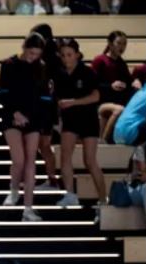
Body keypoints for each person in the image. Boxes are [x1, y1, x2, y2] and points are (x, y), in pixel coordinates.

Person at [0, 35, 49, 221]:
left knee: (31, 161)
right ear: (24, 47)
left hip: (33, 118)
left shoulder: (41, 67)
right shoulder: (9, 64)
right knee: (18, 159)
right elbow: (3, 93)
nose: (32, 57)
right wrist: (15, 113)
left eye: (36, 54)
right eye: (30, 52)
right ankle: (13, 190)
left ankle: (28, 207)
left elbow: (44, 97)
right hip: (12, 117)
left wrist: (34, 118)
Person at [53, 37, 105, 209]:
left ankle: (103, 199)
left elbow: (96, 96)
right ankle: (70, 194)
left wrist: (73, 102)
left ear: (77, 55)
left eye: (69, 54)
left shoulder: (88, 72)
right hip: (70, 120)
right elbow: (58, 99)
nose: (66, 58)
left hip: (88, 119)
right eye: (63, 55)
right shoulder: (59, 75)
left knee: (90, 160)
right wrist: (59, 115)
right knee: (65, 156)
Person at [93, 31, 133, 142]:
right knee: (118, 110)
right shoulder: (100, 60)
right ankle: (103, 140)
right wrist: (110, 86)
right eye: (119, 43)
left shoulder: (122, 63)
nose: (122, 47)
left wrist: (129, 84)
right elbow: (92, 84)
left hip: (118, 102)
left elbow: (129, 83)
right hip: (101, 103)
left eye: (124, 44)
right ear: (110, 44)